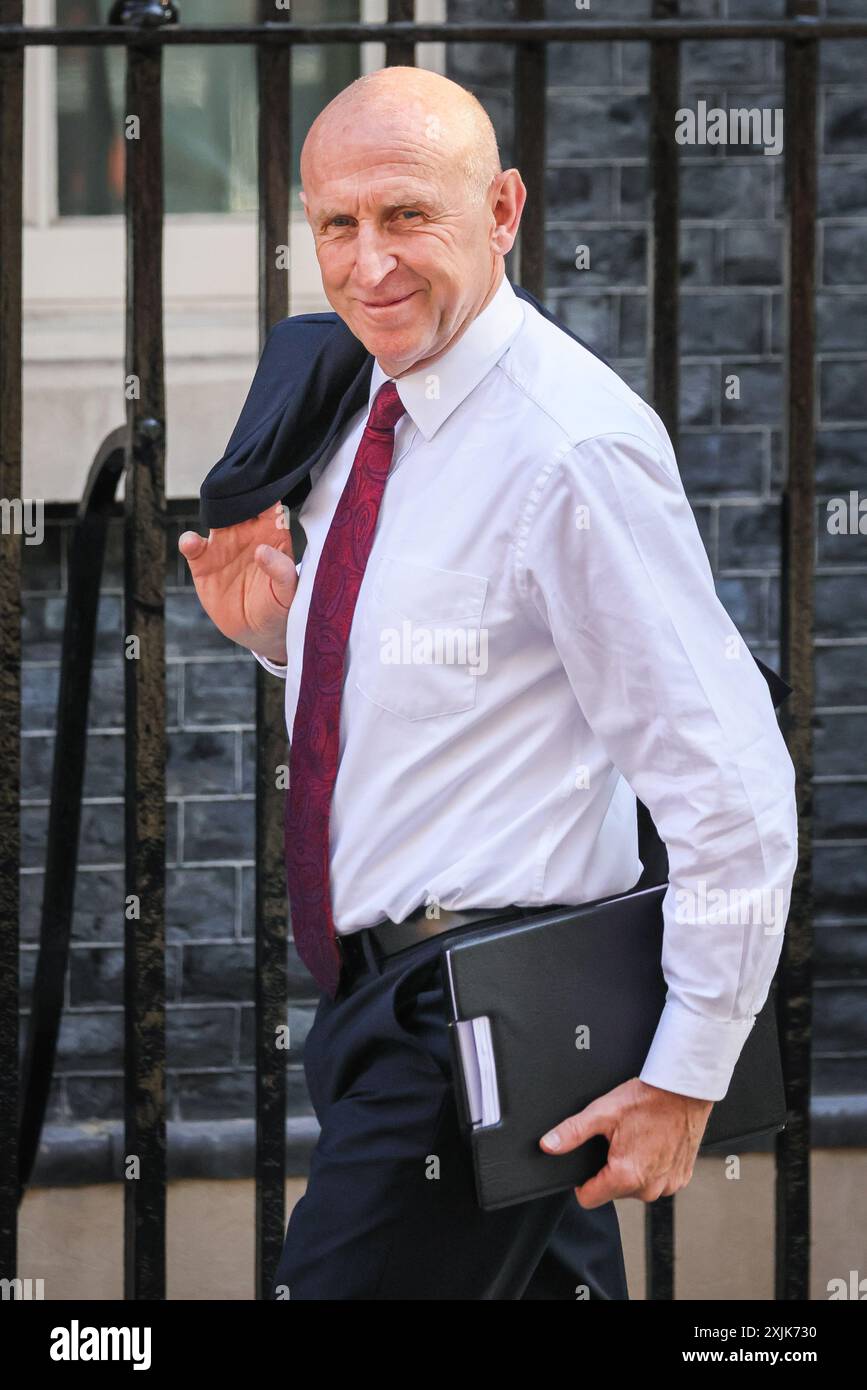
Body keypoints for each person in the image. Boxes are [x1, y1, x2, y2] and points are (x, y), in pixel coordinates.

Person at [178, 65, 798, 1300]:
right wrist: (277, 634)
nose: (369, 265)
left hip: (477, 1026)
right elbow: (447, 689)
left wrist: (687, 1072)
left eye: (408, 215)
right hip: (380, 1006)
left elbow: (730, 779)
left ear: (503, 209)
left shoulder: (571, 447)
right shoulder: (359, 395)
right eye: (338, 227)